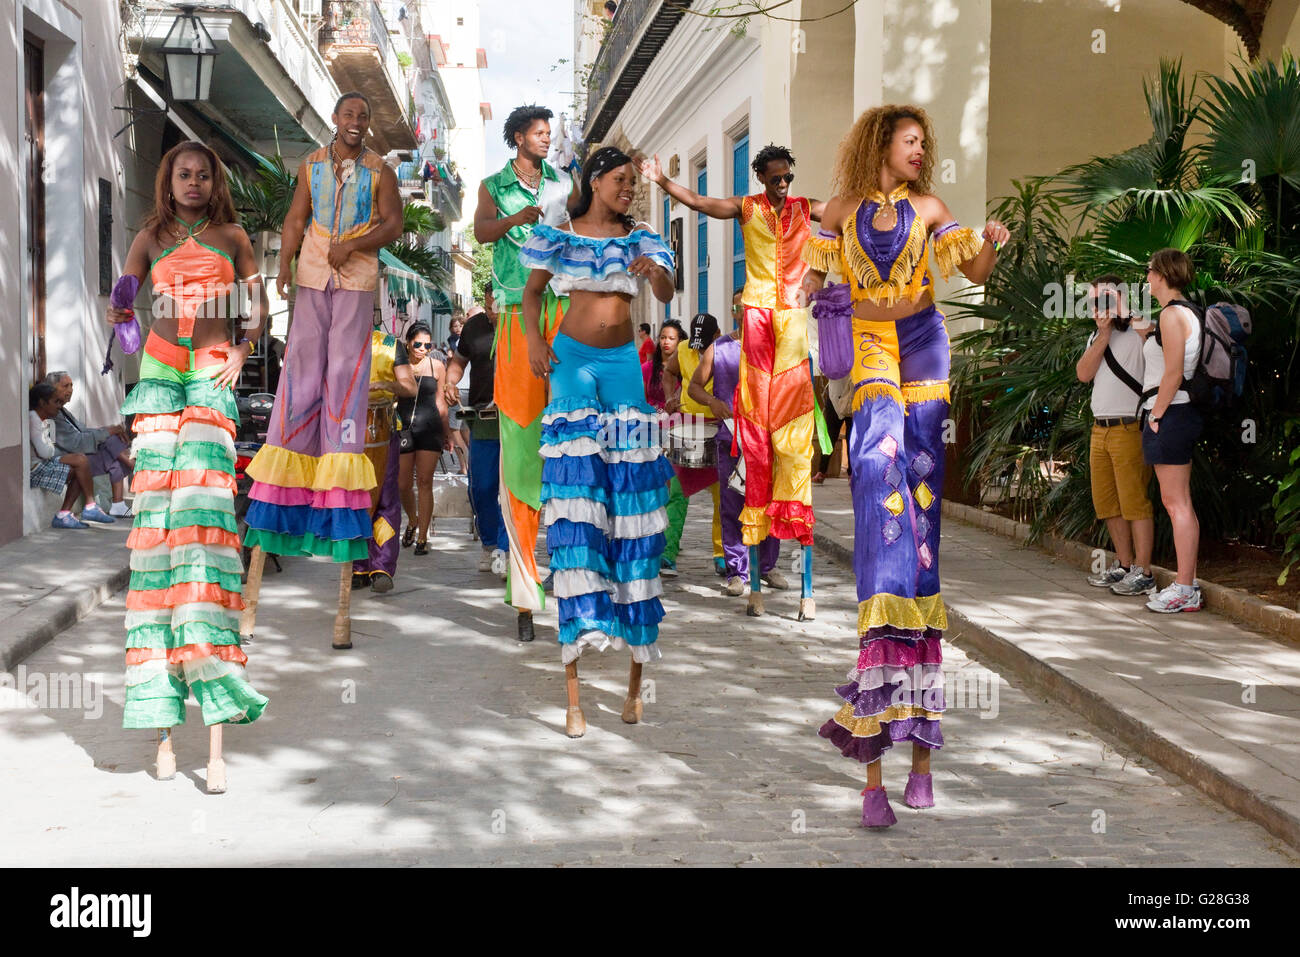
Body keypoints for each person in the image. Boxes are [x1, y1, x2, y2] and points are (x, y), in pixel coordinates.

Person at [801, 105, 1009, 826]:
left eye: (926, 141)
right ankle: (876, 769)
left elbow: (973, 270)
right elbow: (814, 279)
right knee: (880, 483)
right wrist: (811, 288)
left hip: (925, 346)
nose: (922, 150)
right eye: (911, 140)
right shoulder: (841, 208)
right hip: (870, 351)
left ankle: (917, 762)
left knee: (921, 519)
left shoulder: (931, 208)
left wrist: (990, 243)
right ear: (881, 142)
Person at [107, 139, 270, 792]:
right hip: (159, 372)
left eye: (203, 173)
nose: (194, 181)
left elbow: (255, 306)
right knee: (156, 532)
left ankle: (215, 705)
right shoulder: (149, 235)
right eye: (183, 173)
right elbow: (123, 297)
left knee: (198, 523)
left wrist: (242, 348)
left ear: (214, 181)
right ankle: (160, 715)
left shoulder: (234, 237)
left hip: (210, 372)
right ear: (167, 182)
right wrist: (127, 331)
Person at [520, 145, 675, 738]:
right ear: (594, 180)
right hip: (572, 362)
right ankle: (574, 696)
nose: (628, 189)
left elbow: (664, 291)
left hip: (622, 370)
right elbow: (533, 292)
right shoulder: (561, 232)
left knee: (631, 511)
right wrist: (535, 341)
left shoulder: (643, 238)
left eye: (633, 181)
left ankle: (635, 682)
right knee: (577, 507)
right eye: (619, 180)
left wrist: (654, 271)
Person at [243, 91, 403, 570]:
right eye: (349, 114)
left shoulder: (380, 170)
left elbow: (393, 224)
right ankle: (293, 450)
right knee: (303, 365)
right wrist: (287, 265)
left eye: (363, 116)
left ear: (367, 125)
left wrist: (354, 245)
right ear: (335, 119)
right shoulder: (311, 164)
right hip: (313, 273)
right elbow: (296, 218)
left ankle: (339, 454)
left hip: (356, 280)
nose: (355, 122)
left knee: (345, 370)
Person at [644, 144, 826, 550]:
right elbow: (701, 202)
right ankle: (744, 537)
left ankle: (791, 503)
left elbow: (847, 219)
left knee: (794, 411)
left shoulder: (804, 207)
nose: (782, 185)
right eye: (775, 178)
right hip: (759, 314)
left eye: (787, 177)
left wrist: (819, 270)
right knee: (757, 412)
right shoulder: (747, 206)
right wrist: (661, 182)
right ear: (760, 177)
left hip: (793, 319)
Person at [475, 103, 580, 642]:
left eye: (548, 134)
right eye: (538, 133)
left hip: (563, 311)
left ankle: (576, 579)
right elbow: (480, 231)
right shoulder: (494, 184)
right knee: (520, 453)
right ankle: (523, 592)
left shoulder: (564, 179)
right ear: (519, 137)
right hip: (518, 318)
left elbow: (585, 221)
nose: (545, 140)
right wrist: (514, 220)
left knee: (574, 443)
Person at [687, 323, 787, 597]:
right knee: (732, 505)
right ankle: (736, 571)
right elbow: (694, 387)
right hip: (731, 437)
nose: (743, 312)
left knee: (769, 502)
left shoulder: (774, 344)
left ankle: (767, 566)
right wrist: (711, 401)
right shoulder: (718, 349)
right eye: (737, 308)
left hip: (767, 437)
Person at [1076, 274, 1155, 597]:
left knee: (1135, 502)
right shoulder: (1098, 336)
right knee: (1107, 504)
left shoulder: (1140, 329)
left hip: (1128, 428)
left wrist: (1123, 306)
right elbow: (1083, 374)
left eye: (1104, 299)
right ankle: (1123, 564)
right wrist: (1104, 334)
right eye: (1094, 301)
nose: (1099, 307)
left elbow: (1150, 332)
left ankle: (1144, 570)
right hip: (1100, 429)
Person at [1141, 248, 1204, 613]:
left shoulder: (1170, 315)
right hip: (1182, 413)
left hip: (1171, 414)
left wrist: (1156, 415)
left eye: (1150, 271)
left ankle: (1184, 587)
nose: (1147, 278)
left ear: (1162, 275)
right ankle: (1187, 586)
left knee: (1176, 503)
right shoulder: (1186, 312)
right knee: (1180, 502)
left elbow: (1174, 372)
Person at [445, 285, 511, 575]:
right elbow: (459, 361)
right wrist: (450, 381)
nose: (492, 311)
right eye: (488, 304)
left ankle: (505, 549)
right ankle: (488, 541)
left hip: (517, 417)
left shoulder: (524, 321)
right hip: (484, 416)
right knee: (482, 486)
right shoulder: (474, 326)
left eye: (497, 304)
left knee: (512, 489)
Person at [351, 317, 418, 592]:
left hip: (383, 429)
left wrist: (389, 387)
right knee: (354, 496)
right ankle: (357, 565)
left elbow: (410, 387)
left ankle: (381, 566)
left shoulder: (391, 346)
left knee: (386, 497)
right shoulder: (337, 341)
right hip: (346, 432)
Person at [662, 312, 725, 576]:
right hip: (687, 427)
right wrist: (669, 398)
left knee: (723, 496)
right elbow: (668, 373)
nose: (698, 349)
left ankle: (722, 554)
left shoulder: (726, 350)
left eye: (704, 343)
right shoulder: (685, 349)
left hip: (717, 428)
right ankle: (667, 553)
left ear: (716, 336)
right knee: (676, 492)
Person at [45, 371, 133, 517]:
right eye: (65, 386)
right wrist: (108, 432)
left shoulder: (63, 411)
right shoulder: (53, 413)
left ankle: (119, 504)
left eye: (71, 385)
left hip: (77, 453)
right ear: (52, 389)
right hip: (67, 457)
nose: (70, 390)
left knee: (111, 441)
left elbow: (82, 430)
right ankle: (134, 466)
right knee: (111, 445)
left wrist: (108, 430)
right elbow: (76, 442)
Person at [397, 323, 447, 555]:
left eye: (427, 345)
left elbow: (441, 401)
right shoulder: (398, 365)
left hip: (430, 428)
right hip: (403, 428)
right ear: (408, 342)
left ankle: (423, 538)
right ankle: (413, 520)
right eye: (418, 344)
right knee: (402, 484)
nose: (422, 349)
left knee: (425, 482)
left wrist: (446, 433)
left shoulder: (437, 366)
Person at [642, 319, 686, 574]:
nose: (666, 342)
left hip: (681, 431)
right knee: (656, 488)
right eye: (663, 337)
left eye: (672, 338)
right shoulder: (648, 369)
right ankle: (654, 539)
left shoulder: (688, 367)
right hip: (651, 431)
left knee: (676, 491)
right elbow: (640, 398)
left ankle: (668, 544)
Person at [29, 383, 105, 529]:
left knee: (81, 463)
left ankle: (67, 513)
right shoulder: (33, 419)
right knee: (80, 461)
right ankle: (88, 506)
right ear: (42, 402)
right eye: (56, 402)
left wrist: (50, 447)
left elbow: (48, 449)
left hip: (45, 462)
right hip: (36, 468)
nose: (59, 406)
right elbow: (45, 452)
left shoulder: (48, 422)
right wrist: (50, 448)